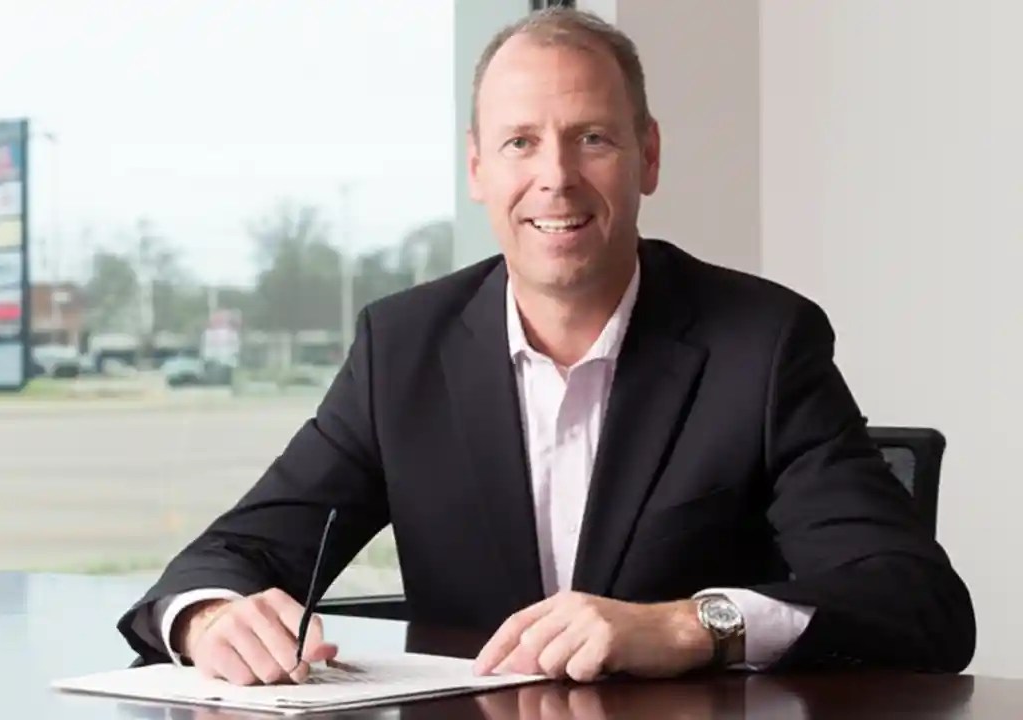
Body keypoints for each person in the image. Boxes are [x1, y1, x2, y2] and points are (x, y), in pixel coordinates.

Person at [117, 7, 975, 685]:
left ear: (647, 156)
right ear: (478, 168)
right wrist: (207, 618)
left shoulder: (763, 343)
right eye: (521, 141)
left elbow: (916, 603)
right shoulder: (403, 348)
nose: (555, 177)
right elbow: (235, 554)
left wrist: (686, 623)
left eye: (591, 138)